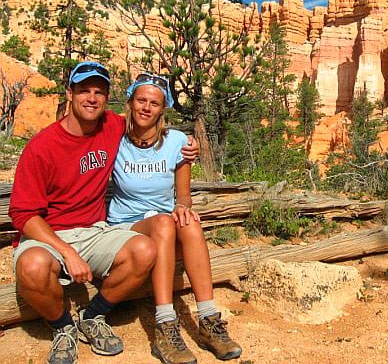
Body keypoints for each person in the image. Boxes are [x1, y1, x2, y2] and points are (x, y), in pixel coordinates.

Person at [8, 62, 198, 364]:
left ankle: (92, 315)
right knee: (32, 266)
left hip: (95, 230)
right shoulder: (41, 147)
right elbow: (23, 214)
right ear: (70, 94)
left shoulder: (111, 126)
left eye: (99, 92)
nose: (92, 98)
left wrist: (186, 145)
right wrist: (66, 251)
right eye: (84, 90)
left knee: (144, 250)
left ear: (108, 98)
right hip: (49, 234)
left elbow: (149, 123)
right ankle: (63, 326)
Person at [107, 72, 242, 363]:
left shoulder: (177, 141)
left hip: (164, 224)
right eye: (141, 100)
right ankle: (165, 326)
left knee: (189, 220)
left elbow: (183, 195)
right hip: (127, 224)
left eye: (154, 103)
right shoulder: (114, 139)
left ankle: (208, 320)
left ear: (162, 109)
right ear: (130, 103)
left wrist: (183, 205)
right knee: (165, 222)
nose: (146, 107)